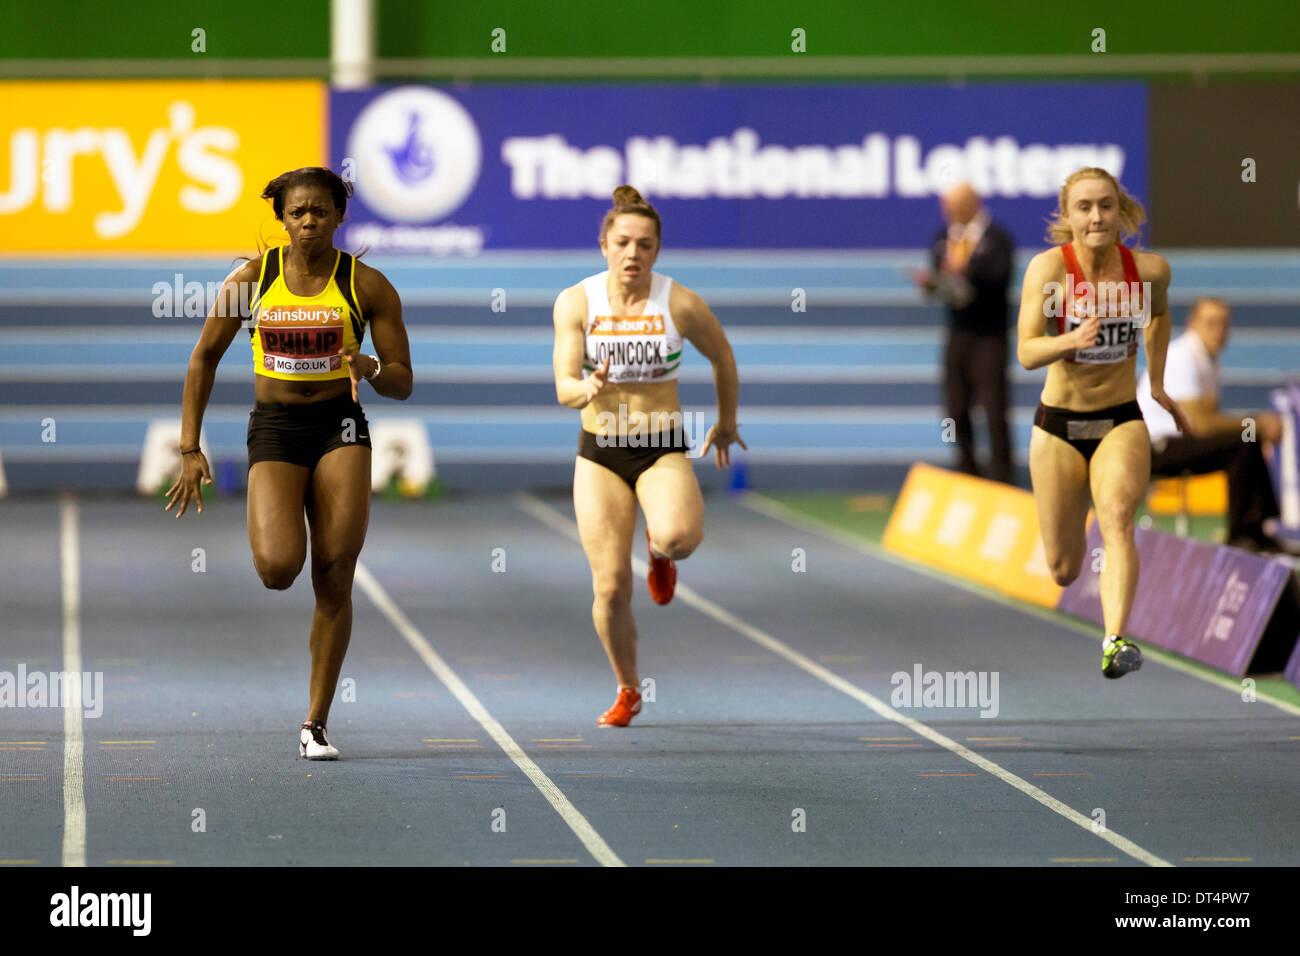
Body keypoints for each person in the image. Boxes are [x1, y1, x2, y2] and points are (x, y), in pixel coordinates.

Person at [164, 167, 413, 758]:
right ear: (282, 218)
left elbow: (402, 380)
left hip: (340, 426)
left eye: (320, 212)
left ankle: (315, 722)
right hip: (275, 427)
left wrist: (370, 367)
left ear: (338, 216)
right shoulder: (252, 280)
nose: (308, 222)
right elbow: (203, 359)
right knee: (278, 568)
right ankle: (312, 709)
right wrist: (189, 447)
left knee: (335, 569)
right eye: (298, 212)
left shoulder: (368, 285)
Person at [552, 185, 745, 726]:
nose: (633, 254)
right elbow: (563, 384)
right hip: (600, 455)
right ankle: (629, 688)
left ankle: (658, 549)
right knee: (611, 586)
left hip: (658, 448)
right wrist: (585, 391)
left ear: (657, 251)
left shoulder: (678, 302)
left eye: (644, 245)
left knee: (681, 539)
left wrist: (726, 425)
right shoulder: (576, 302)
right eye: (623, 243)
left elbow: (723, 357)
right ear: (604, 245)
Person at [1017, 167, 1191, 679]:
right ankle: (1079, 531)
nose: (1097, 217)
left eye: (1106, 206)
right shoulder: (1049, 271)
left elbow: (1158, 315)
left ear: (1120, 211)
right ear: (1068, 217)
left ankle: (1115, 641)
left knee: (1117, 514)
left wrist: (1155, 384)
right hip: (1058, 427)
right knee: (1064, 569)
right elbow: (1026, 350)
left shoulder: (1150, 271)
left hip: (1119, 420)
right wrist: (1069, 341)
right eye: (1085, 207)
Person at [1137, 297, 1284, 550]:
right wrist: (1255, 423)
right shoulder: (1183, 355)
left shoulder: (1207, 360)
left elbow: (1210, 421)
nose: (1219, 331)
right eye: (1211, 323)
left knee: (1246, 440)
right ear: (1193, 324)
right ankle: (1242, 534)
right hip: (1155, 447)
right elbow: (1202, 425)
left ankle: (1256, 529)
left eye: (1224, 324)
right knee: (1243, 441)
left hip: (1178, 441)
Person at [913, 182, 1016, 483]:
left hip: (990, 335)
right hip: (958, 334)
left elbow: (1000, 280)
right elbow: (938, 275)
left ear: (973, 203)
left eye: (955, 207)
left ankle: (1002, 478)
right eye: (946, 207)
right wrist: (934, 283)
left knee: (994, 409)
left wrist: (966, 273)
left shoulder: (997, 238)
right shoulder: (943, 237)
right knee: (955, 408)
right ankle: (967, 472)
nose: (949, 213)